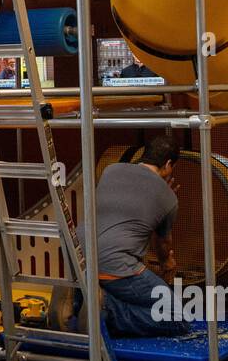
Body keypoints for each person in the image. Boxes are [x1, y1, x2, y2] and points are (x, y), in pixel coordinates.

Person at [65, 135, 189, 337]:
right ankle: (105, 307)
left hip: (77, 255)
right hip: (115, 265)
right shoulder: (169, 198)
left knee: (109, 281)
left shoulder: (111, 170)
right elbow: (162, 244)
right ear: (168, 164)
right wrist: (167, 263)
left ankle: (77, 301)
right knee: (176, 318)